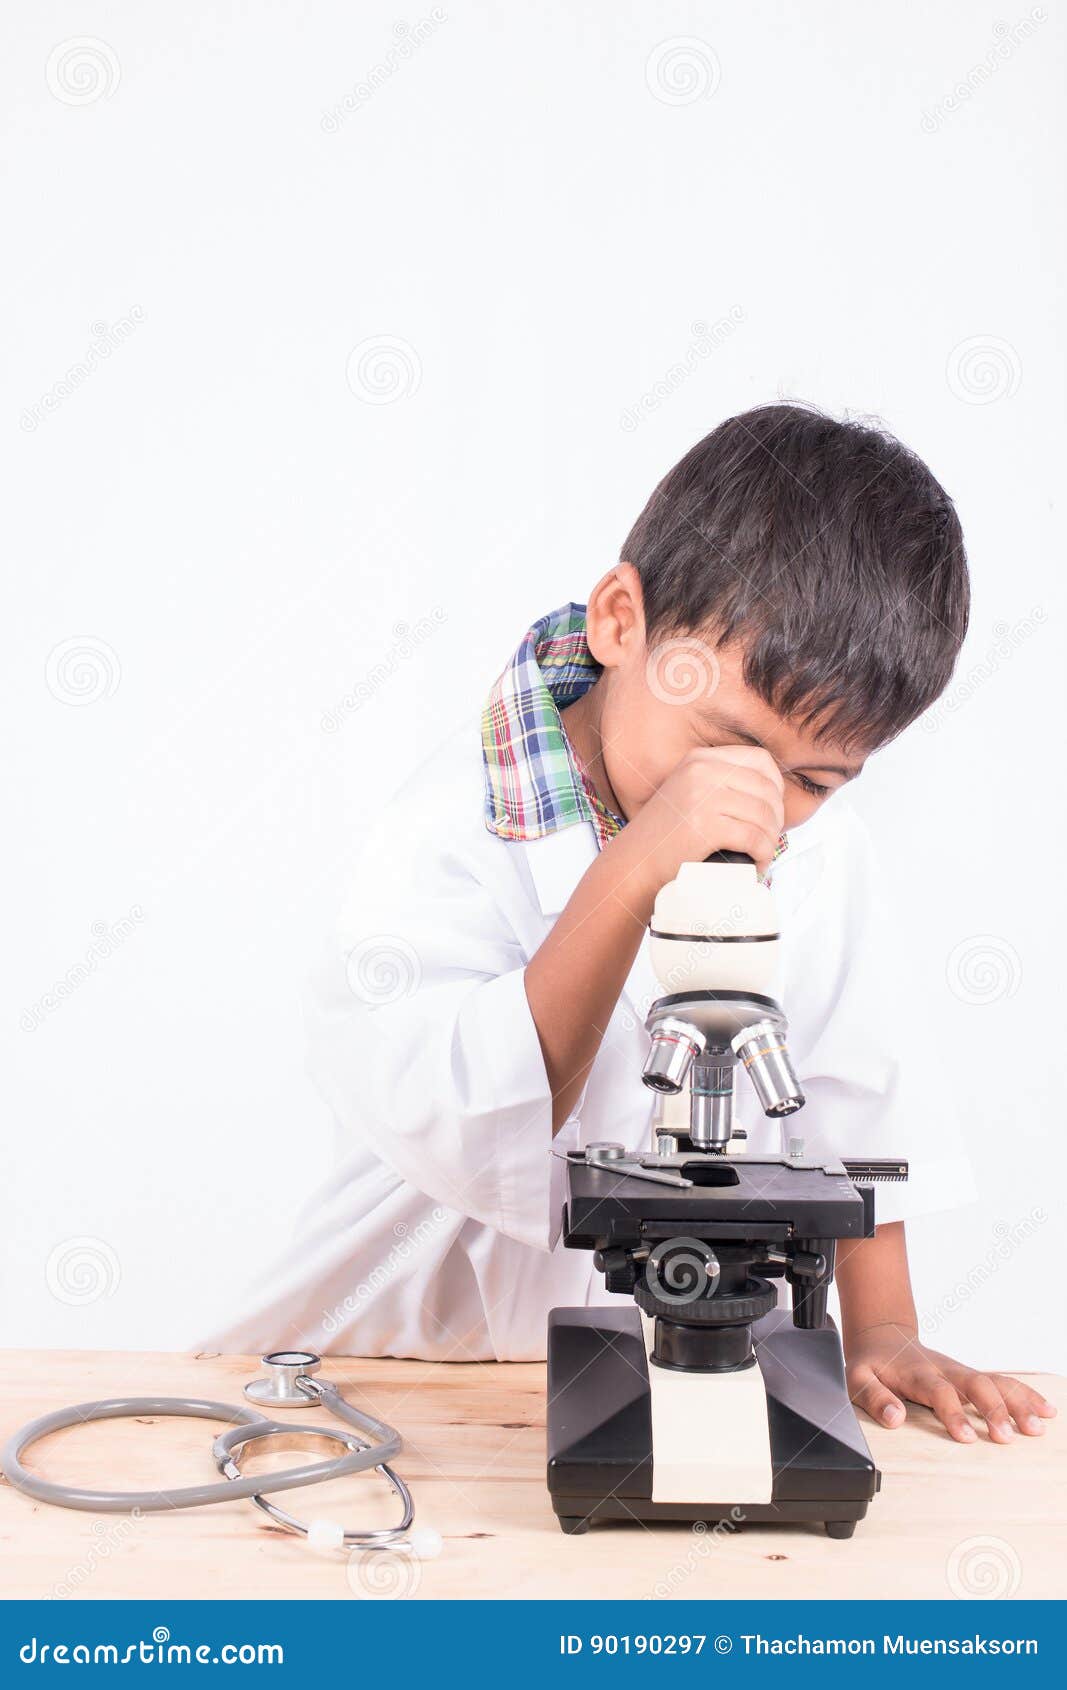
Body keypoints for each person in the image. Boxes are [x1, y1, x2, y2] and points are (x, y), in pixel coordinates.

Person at [215, 404, 1054, 1447]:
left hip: (633, 1364)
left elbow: (853, 1126)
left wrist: (881, 1330)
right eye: (725, 744)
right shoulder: (438, 843)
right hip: (388, 1369)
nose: (758, 801)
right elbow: (487, 1125)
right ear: (621, 621)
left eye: (812, 781)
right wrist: (637, 861)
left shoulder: (826, 859)